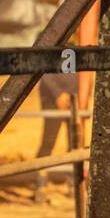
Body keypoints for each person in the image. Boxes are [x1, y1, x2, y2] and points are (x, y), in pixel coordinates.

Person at [33, 71, 80, 201]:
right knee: (48, 141)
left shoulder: (76, 50)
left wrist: (74, 94)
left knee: (74, 143)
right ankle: (41, 185)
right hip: (52, 99)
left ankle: (73, 184)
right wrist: (58, 94)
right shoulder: (49, 50)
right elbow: (44, 72)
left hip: (73, 98)